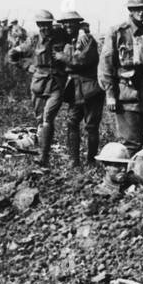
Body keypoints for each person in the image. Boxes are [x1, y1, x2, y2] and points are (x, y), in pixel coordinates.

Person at [99, 0, 143, 156]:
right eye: (136, 9)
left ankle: (138, 178)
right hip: (126, 95)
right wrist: (110, 94)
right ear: (130, 10)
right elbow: (106, 65)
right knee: (131, 144)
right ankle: (127, 179)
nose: (141, 12)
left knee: (140, 141)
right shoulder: (117, 32)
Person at [9, 9, 69, 168]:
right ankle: (43, 155)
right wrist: (27, 66)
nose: (45, 28)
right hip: (38, 84)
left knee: (47, 119)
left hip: (57, 82)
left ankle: (44, 157)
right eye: (41, 25)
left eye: (47, 24)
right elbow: (13, 54)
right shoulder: (33, 40)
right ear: (37, 25)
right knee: (39, 120)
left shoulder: (61, 35)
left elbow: (75, 35)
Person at [57, 10, 104, 167]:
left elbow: (80, 61)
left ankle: (91, 161)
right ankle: (74, 160)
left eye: (72, 22)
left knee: (91, 125)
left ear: (78, 24)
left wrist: (62, 58)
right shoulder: (67, 41)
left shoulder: (87, 39)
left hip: (91, 88)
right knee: (72, 122)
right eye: (65, 23)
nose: (68, 25)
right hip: (75, 89)